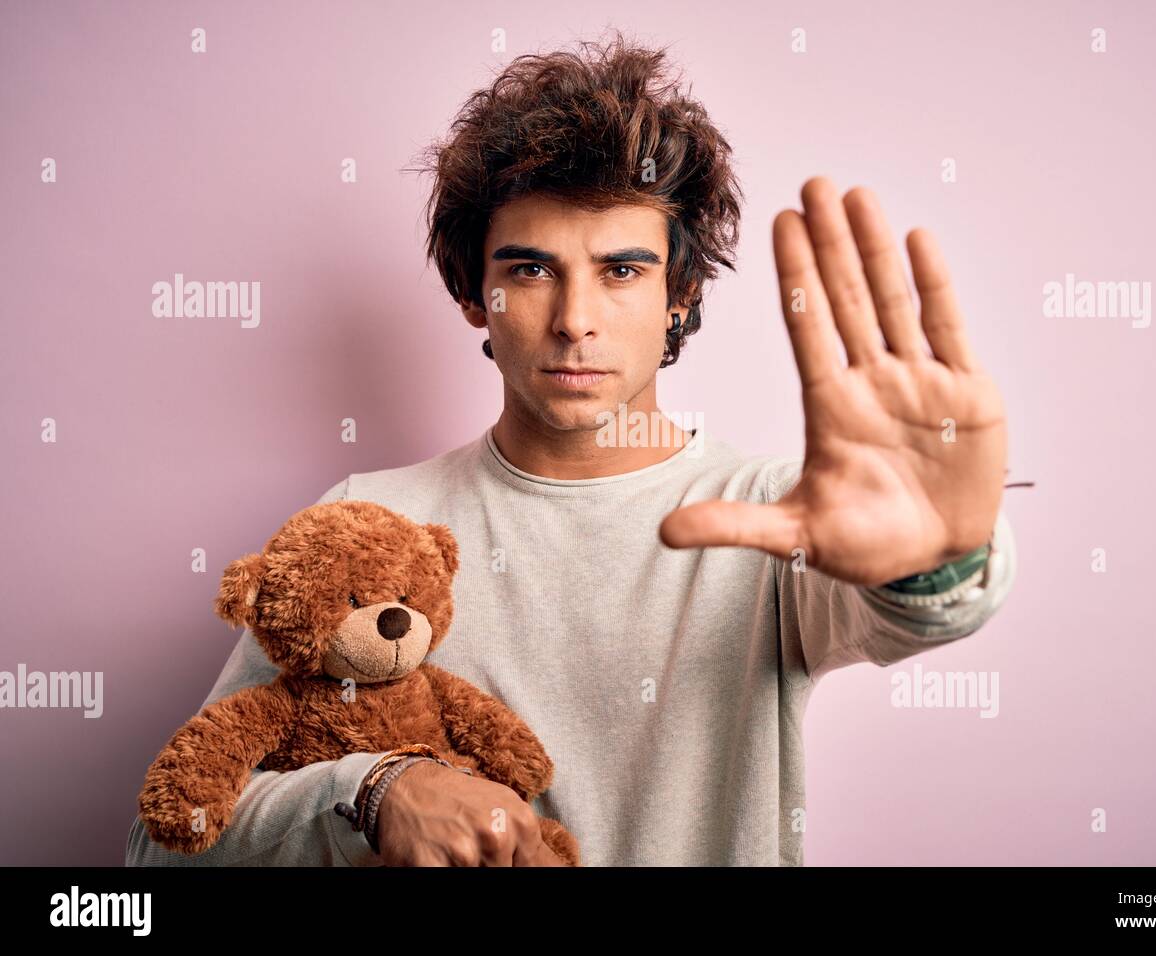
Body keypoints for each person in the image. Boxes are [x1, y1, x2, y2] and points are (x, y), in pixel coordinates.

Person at [126, 31, 1016, 867]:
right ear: (475, 295)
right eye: (530, 269)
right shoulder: (369, 521)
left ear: (680, 296)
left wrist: (935, 558)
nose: (575, 319)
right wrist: (369, 790)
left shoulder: (773, 516)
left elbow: (913, 605)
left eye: (622, 270)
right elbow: (160, 845)